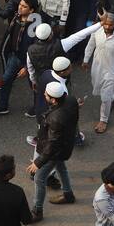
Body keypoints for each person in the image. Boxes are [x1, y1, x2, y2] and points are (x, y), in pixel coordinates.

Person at [28, 80, 79, 217]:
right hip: (65, 146)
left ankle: (37, 210)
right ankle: (68, 194)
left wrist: (37, 162)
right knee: (61, 168)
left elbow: (52, 144)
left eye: (46, 95)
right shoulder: (71, 100)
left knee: (39, 178)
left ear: (54, 100)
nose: (44, 95)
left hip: (56, 150)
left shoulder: (56, 118)